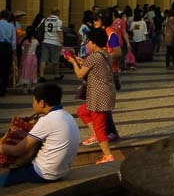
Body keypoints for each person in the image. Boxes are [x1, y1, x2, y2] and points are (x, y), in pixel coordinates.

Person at [1, 83, 80, 186]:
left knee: (3, 178)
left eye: (34, 101)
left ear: (42, 103)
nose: (33, 104)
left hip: (43, 173)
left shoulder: (47, 120)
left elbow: (18, 150)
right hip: (61, 171)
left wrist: (1, 146)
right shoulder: (68, 116)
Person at [68, 29, 117, 164]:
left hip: (98, 96)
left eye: (89, 41)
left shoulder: (94, 57)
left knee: (99, 127)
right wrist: (82, 62)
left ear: (94, 42)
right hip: (105, 93)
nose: (87, 43)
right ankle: (95, 135)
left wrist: (73, 62)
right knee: (82, 111)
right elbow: (95, 67)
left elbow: (80, 75)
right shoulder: (105, 54)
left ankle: (107, 155)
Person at [37, 10, 64, 82]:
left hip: (45, 41)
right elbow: (59, 31)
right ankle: (57, 75)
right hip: (55, 42)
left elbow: (39, 28)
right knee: (55, 60)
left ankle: (41, 75)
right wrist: (62, 41)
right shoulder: (58, 21)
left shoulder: (45, 20)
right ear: (57, 13)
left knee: (43, 59)